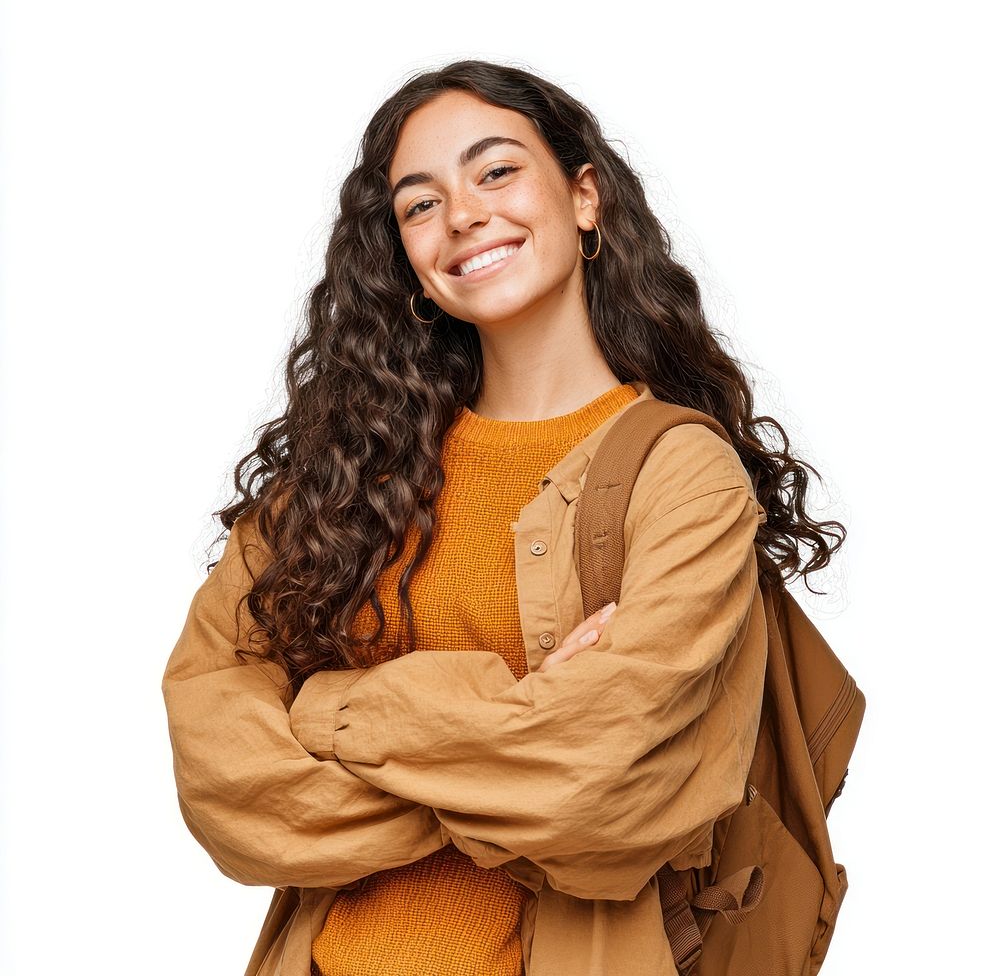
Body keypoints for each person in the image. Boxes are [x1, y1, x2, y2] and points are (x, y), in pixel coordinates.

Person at [161, 58, 846, 976]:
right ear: (402, 254)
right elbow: (220, 774)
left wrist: (324, 711)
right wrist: (507, 728)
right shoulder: (342, 475)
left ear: (586, 196)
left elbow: (599, 789)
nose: (462, 216)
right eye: (419, 204)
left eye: (495, 172)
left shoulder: (682, 475)